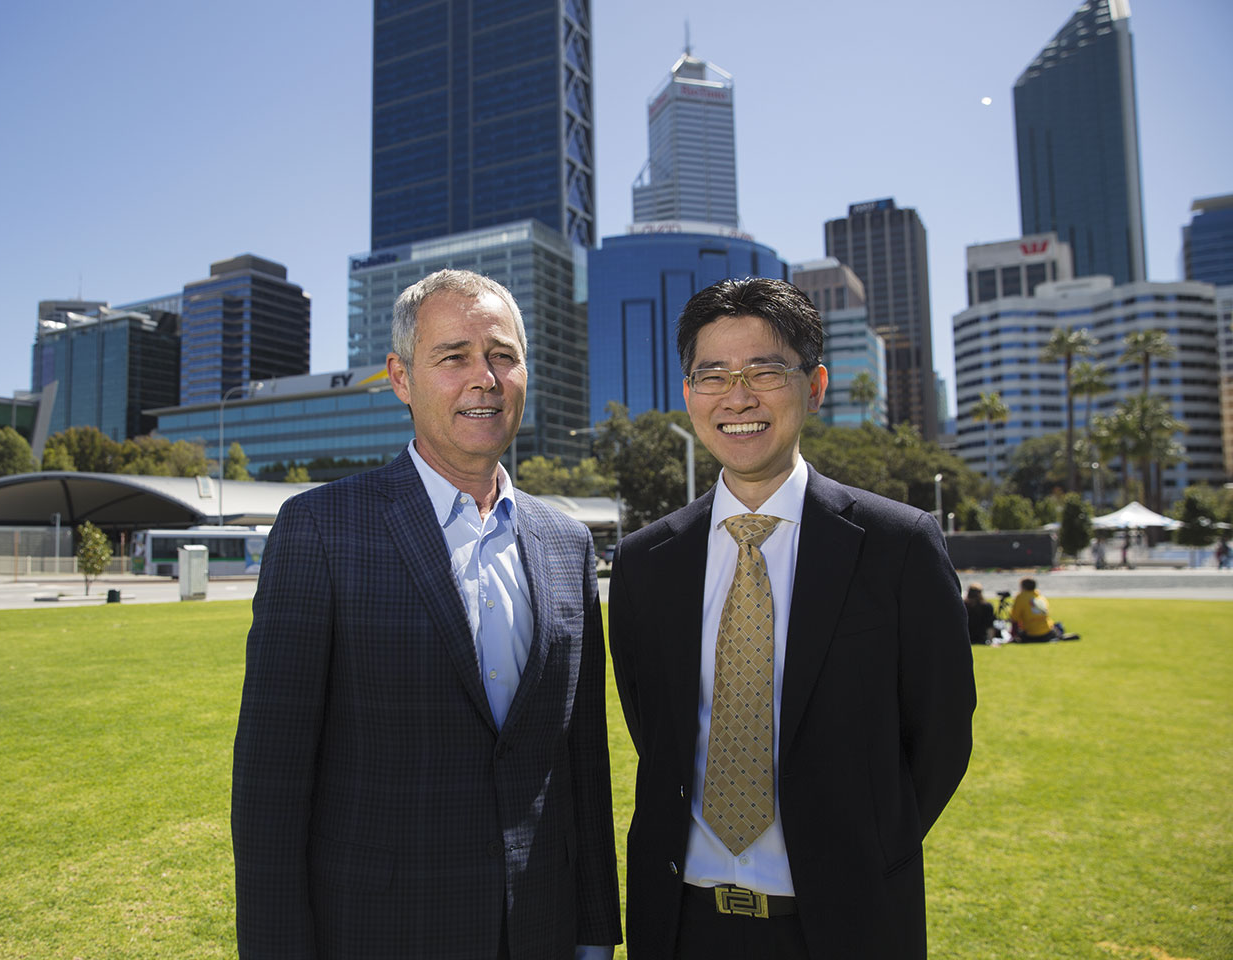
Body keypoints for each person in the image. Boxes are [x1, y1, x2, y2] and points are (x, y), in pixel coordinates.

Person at [231, 270, 622, 959]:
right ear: (402, 378)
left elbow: (583, 763)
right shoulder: (321, 530)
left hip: (542, 929)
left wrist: (594, 932)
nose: (485, 378)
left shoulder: (568, 545)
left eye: (502, 355)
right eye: (454, 357)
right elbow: (270, 785)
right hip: (382, 930)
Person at [608, 278, 976, 960]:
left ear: (816, 385)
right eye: (712, 374)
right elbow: (653, 727)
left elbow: (941, 736)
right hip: (682, 924)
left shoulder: (897, 545)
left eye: (765, 372)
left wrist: (864, 848)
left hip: (847, 920)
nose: (737, 397)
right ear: (688, 392)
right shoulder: (644, 562)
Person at [1009, 577, 1055, 642]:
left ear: (1023, 587)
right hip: (1047, 632)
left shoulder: (1021, 597)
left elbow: (1014, 618)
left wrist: (1013, 635)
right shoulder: (1040, 597)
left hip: (1031, 634)